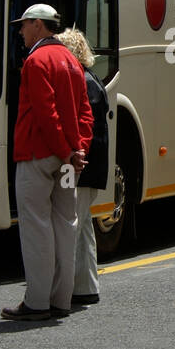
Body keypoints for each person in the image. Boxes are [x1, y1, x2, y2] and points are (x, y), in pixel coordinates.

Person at [2, 4, 93, 322]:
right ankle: (61, 300)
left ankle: (38, 301)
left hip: (37, 156)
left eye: (24, 25)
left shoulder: (36, 60)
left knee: (36, 227)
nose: (21, 30)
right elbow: (85, 111)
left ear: (38, 25)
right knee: (65, 225)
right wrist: (77, 149)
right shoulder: (71, 60)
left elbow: (45, 113)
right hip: (68, 162)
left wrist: (65, 150)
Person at [57, 27, 109, 306]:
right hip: (93, 166)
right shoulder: (93, 79)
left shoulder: (82, 82)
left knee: (71, 227)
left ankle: (60, 290)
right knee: (83, 225)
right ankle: (85, 286)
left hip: (83, 167)